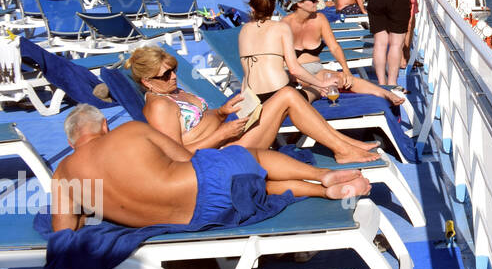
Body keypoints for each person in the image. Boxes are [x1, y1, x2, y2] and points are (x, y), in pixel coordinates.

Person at [49, 105, 369, 232]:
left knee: (251, 184)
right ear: (104, 125)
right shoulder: (129, 130)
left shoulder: (63, 173)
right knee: (249, 158)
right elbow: (188, 161)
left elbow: (64, 234)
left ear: (73, 139)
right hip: (207, 187)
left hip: (192, 219)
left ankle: (324, 192)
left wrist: (86, 211)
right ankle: (322, 177)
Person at [128, 44, 379, 163]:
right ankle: (343, 148)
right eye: (164, 75)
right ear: (147, 82)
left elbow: (200, 123)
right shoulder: (159, 106)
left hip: (229, 138)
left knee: (286, 94)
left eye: (173, 70)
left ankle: (345, 144)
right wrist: (222, 133)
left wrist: (221, 113)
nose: (173, 76)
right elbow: (176, 156)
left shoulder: (174, 92)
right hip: (219, 156)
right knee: (288, 96)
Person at [236, 0, 385, 164]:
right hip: (278, 92)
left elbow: (247, 72)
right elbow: (294, 69)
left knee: (302, 93)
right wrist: (320, 84)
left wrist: (244, 102)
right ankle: (343, 149)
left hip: (253, 96)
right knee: (308, 92)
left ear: (252, 8)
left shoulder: (243, 31)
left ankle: (349, 144)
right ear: (273, 6)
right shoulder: (280, 28)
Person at [285, 0, 403, 105]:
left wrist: (346, 70)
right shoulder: (285, 25)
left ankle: (385, 93)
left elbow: (334, 47)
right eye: (313, 0)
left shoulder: (319, 19)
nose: (317, 2)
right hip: (296, 73)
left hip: (317, 69)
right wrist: (295, 78)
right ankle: (315, 90)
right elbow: (281, 61)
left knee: (344, 78)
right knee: (329, 82)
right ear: (299, 3)